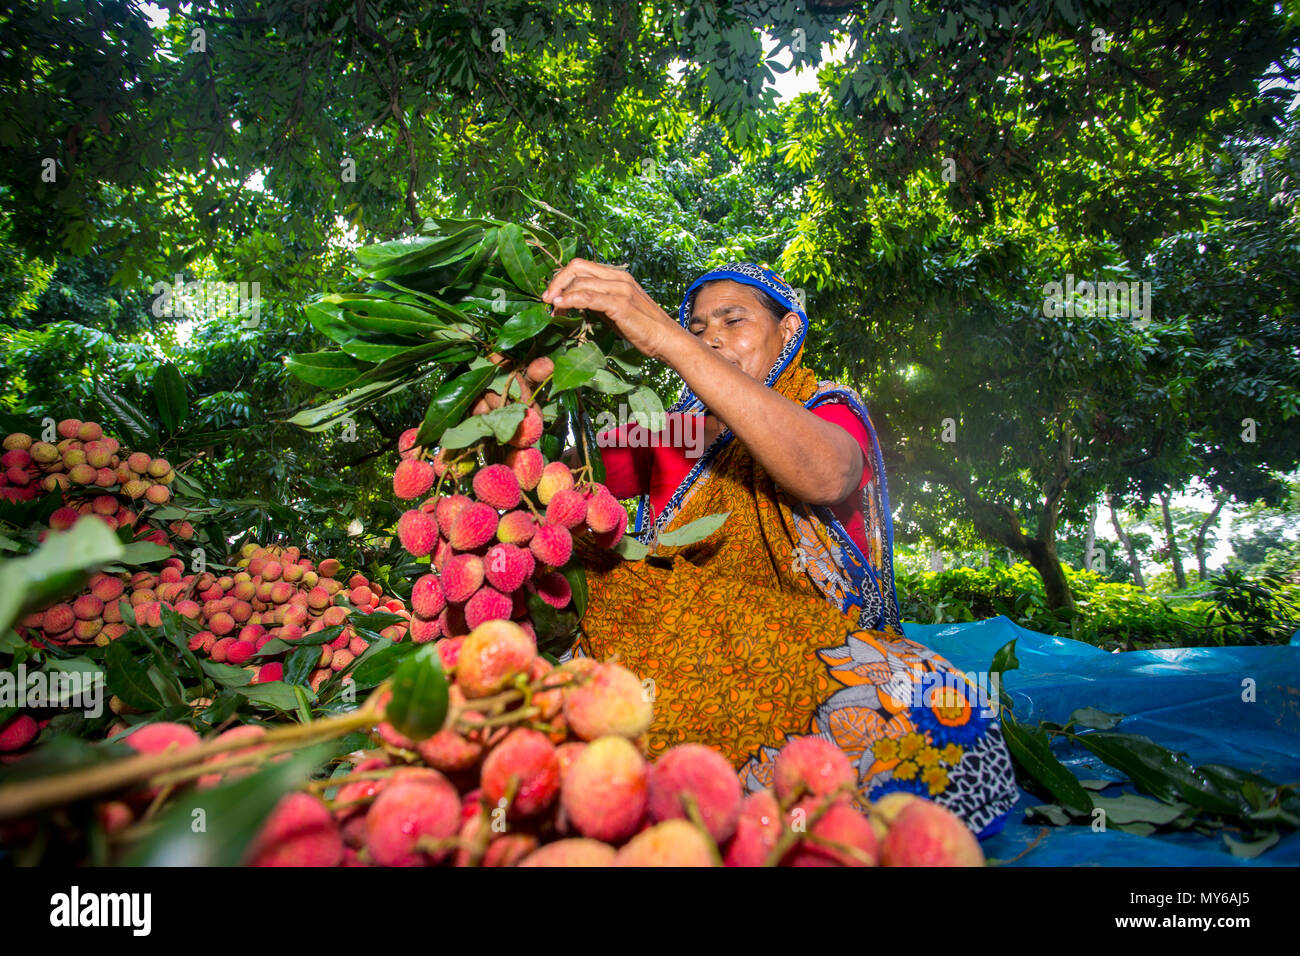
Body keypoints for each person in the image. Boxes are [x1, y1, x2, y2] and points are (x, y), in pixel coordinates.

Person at [541, 260, 1019, 837]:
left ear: (789, 330)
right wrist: (514, 416)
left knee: (930, 709)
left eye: (732, 320)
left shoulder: (822, 405)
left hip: (807, 644)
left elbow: (826, 477)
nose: (709, 336)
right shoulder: (675, 429)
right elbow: (567, 490)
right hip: (668, 648)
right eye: (695, 327)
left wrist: (667, 338)